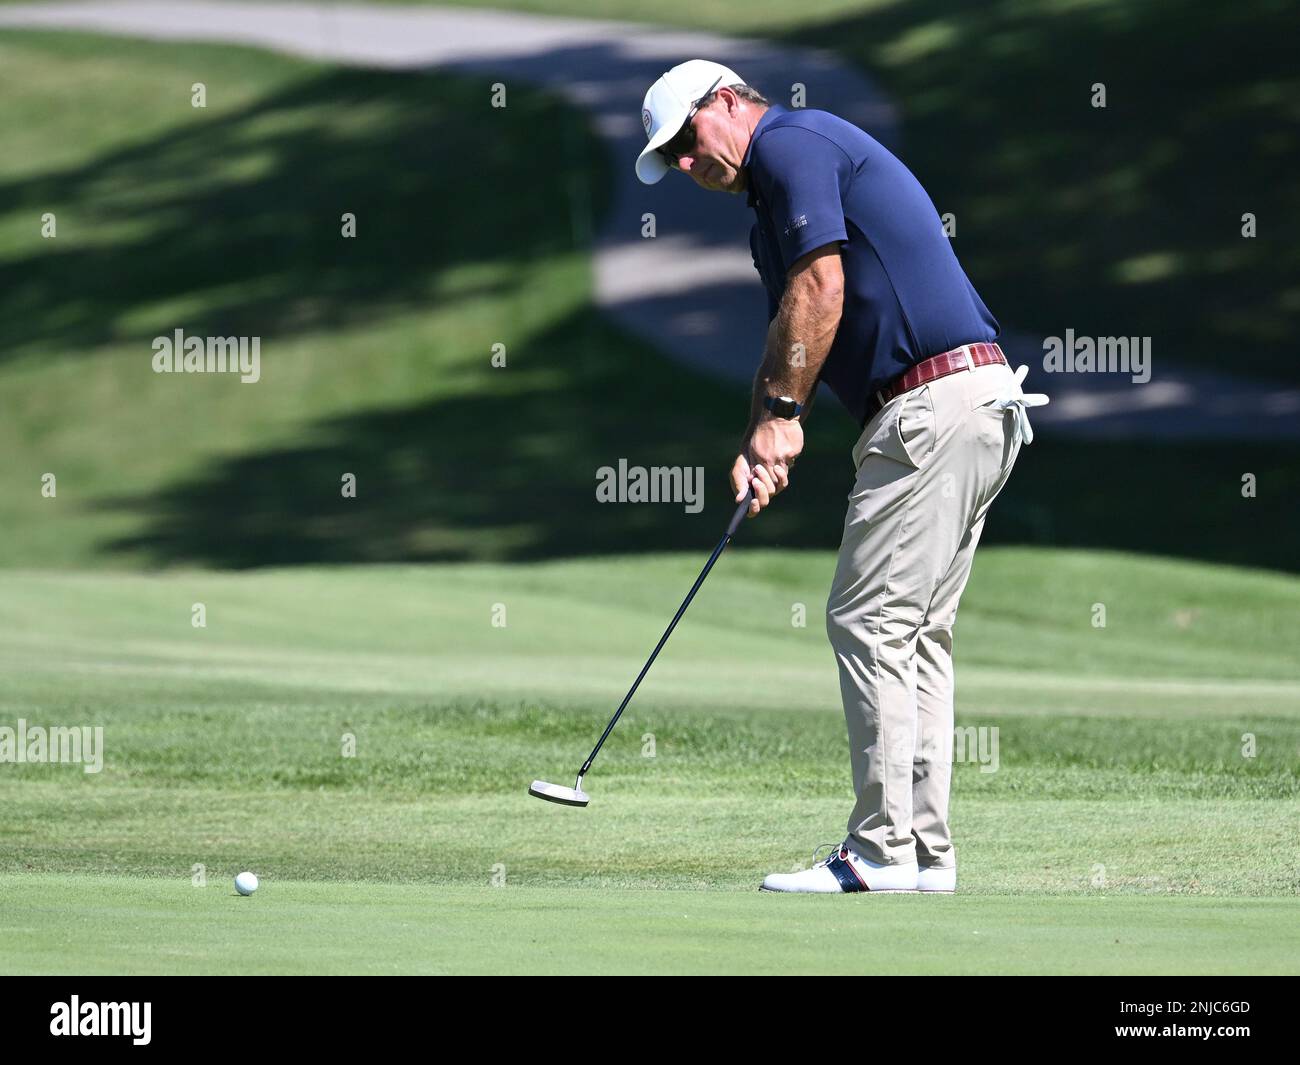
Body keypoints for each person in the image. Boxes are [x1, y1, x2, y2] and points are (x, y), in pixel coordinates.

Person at [635, 60, 1047, 893]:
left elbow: (822, 284)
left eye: (686, 139)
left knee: (867, 620)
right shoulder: (775, 200)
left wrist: (783, 414)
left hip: (933, 402)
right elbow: (798, 322)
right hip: (973, 399)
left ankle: (880, 848)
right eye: (669, 156)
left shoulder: (791, 143)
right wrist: (761, 431)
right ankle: (926, 853)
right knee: (916, 630)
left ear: (726, 101)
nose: (684, 163)